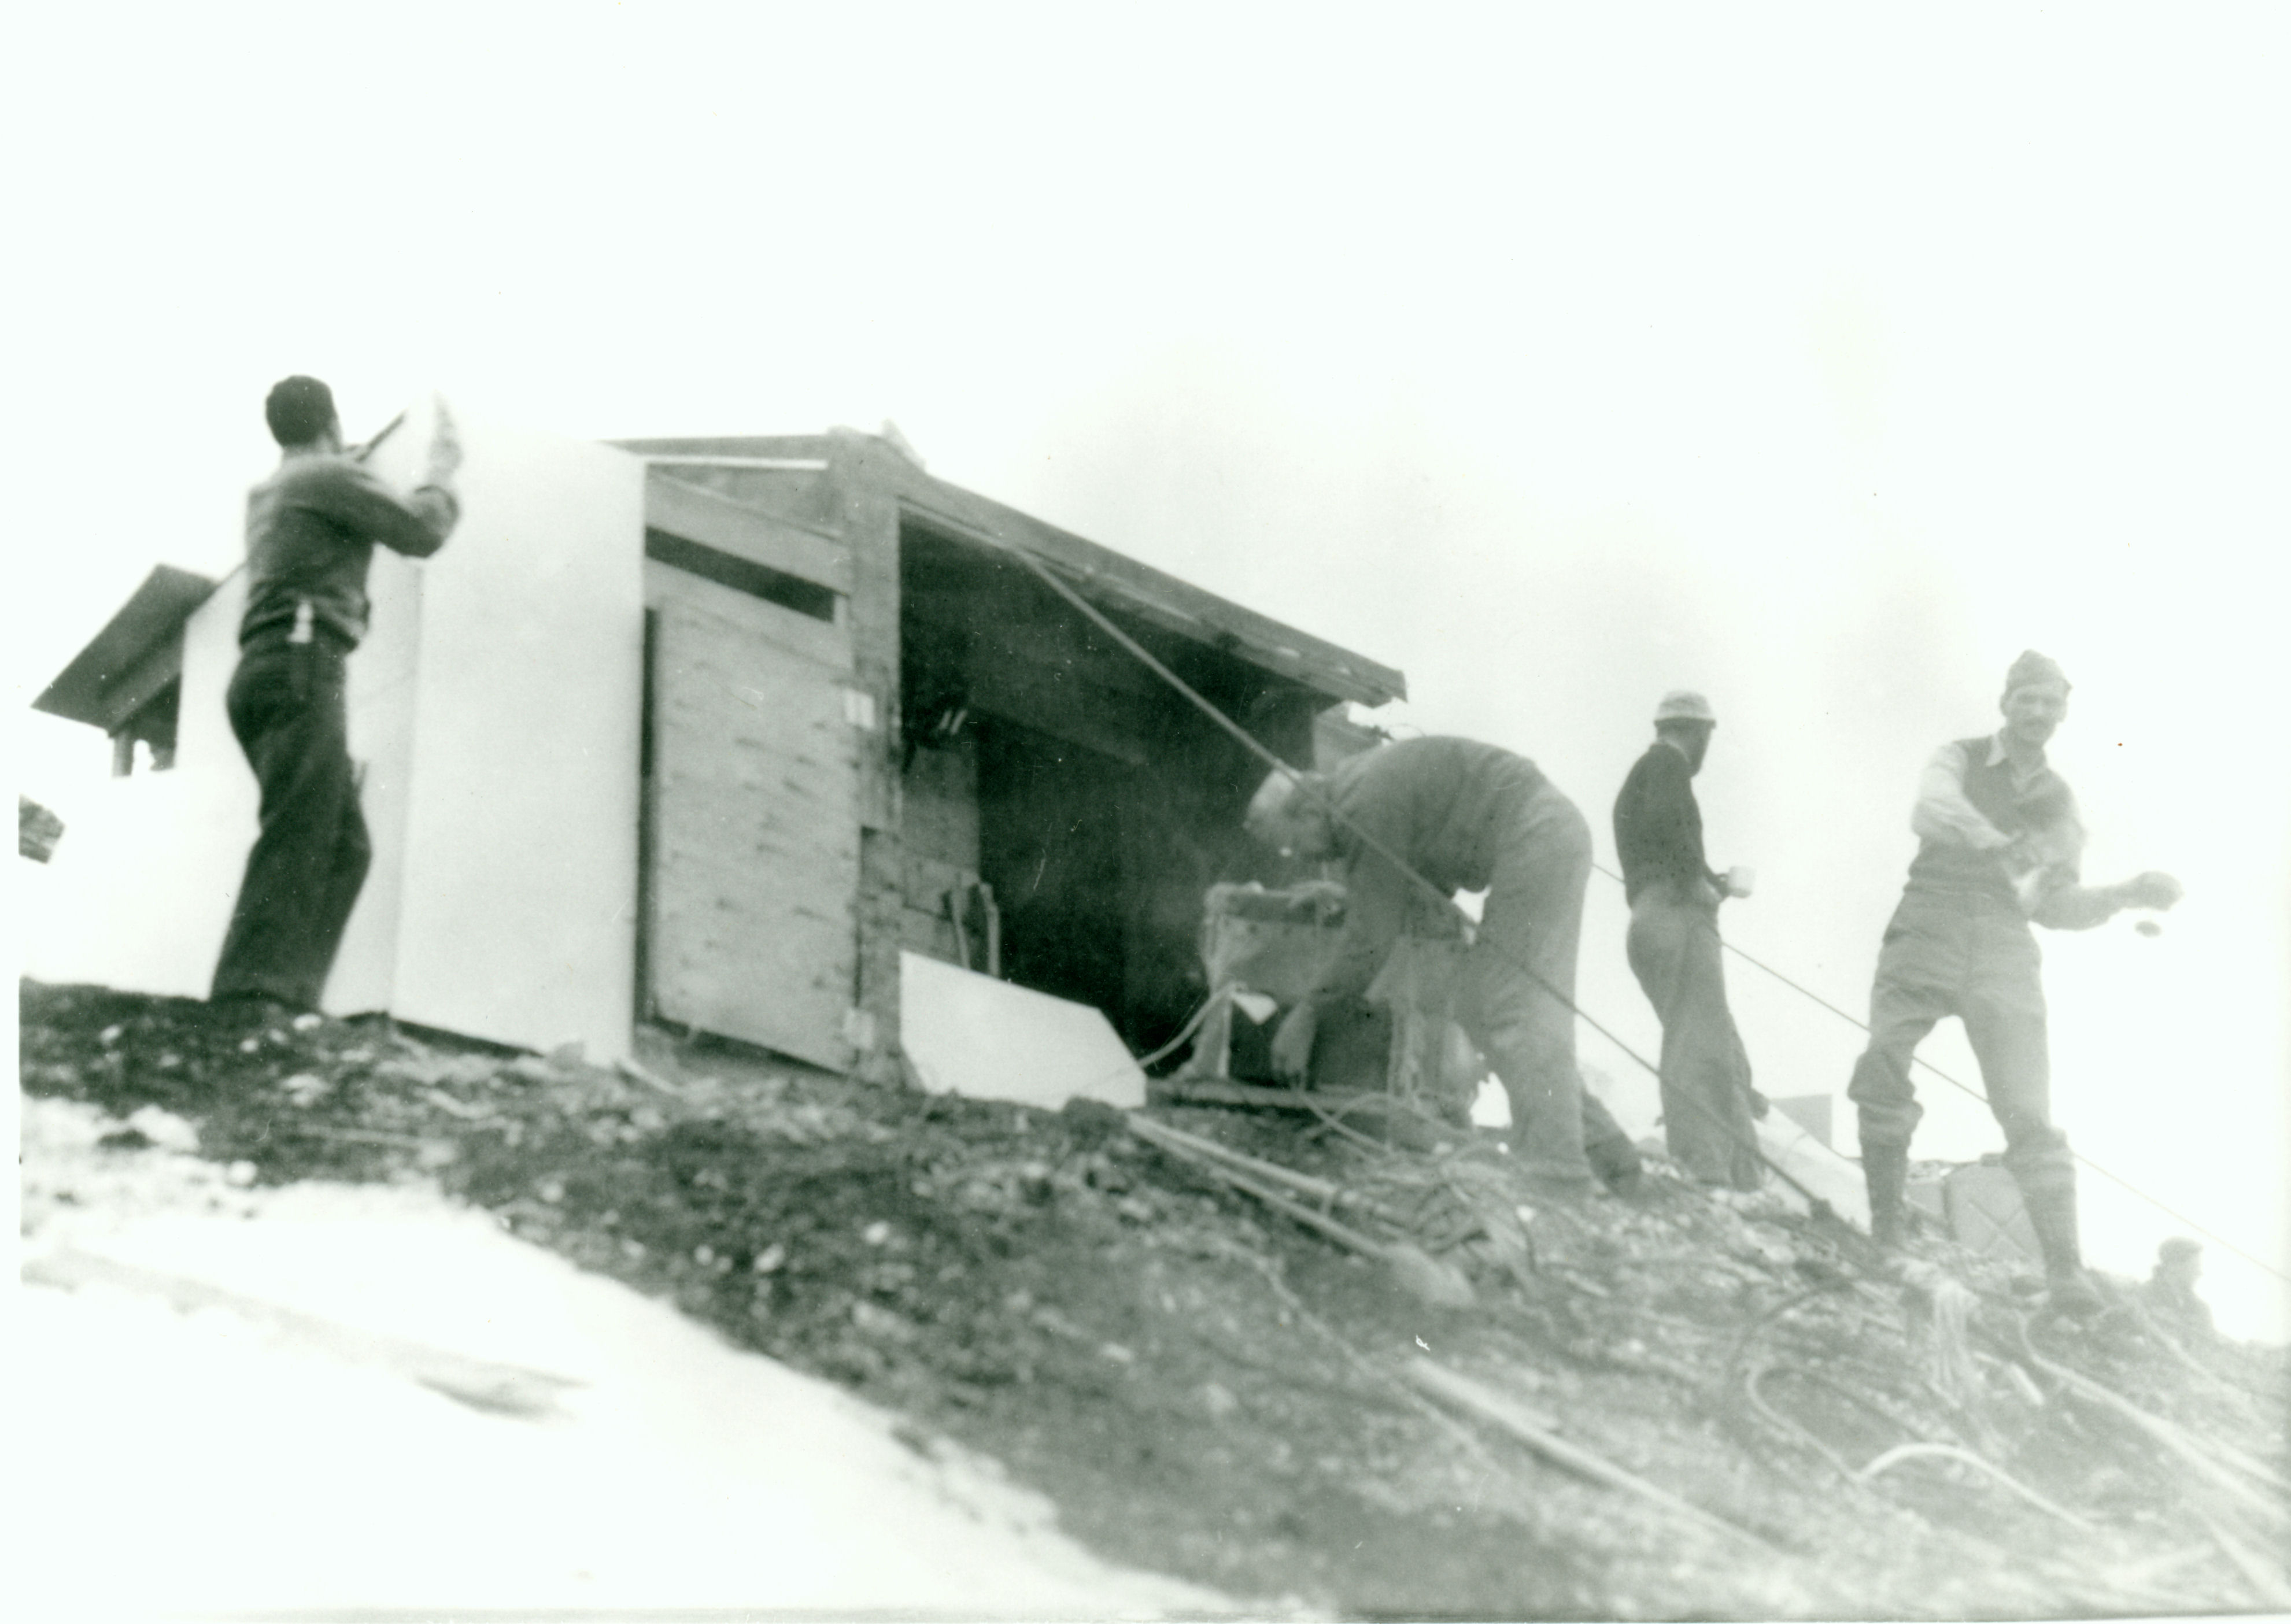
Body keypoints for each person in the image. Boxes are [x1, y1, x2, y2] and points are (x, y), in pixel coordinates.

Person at [1846, 650, 2182, 1314]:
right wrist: (1999, 844)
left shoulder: (2059, 803)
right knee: (1884, 1061)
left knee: (2026, 1107)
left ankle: (2064, 1272)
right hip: (1931, 917)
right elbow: (1931, 811)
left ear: (2060, 715)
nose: (2035, 713)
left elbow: (2051, 904)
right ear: (2005, 704)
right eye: (2024, 700)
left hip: (2002, 941)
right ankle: (1885, 1234)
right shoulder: (1959, 756)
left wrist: (2123, 894)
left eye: (2048, 704)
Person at [1244, 737, 1640, 1190]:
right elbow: (1399, 890)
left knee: (1514, 1002)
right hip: (1539, 833)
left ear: (1309, 812)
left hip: (1536, 833)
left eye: (1295, 847)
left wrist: (1309, 1013)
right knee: (1477, 1003)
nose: (1306, 859)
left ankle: (1559, 1169)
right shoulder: (1358, 793)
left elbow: (1374, 936)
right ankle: (1606, 1150)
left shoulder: (1362, 803)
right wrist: (1349, 895)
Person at [209, 378, 462, 1016]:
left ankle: (291, 996)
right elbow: (422, 531)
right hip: (303, 663)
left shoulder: (278, 487)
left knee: (344, 846)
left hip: (267, 669)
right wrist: (438, 473)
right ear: (331, 421)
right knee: (299, 832)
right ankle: (253, 994)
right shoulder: (325, 477)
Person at [1613, 691, 1764, 1189]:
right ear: (1698, 732)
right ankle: (1709, 1172)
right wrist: (1699, 883)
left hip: (1649, 917)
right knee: (1699, 1047)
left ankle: (1739, 1175)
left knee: (1709, 1040)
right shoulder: (1667, 766)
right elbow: (1668, 828)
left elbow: (1659, 837)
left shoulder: (1644, 774)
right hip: (1678, 917)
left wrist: (1705, 876)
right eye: (1708, 737)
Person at [2141, 1237, 2215, 1339]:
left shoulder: (2201, 1310)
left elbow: (2208, 1348)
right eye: (2194, 1266)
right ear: (2173, 1266)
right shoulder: (2144, 1295)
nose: (2199, 1273)